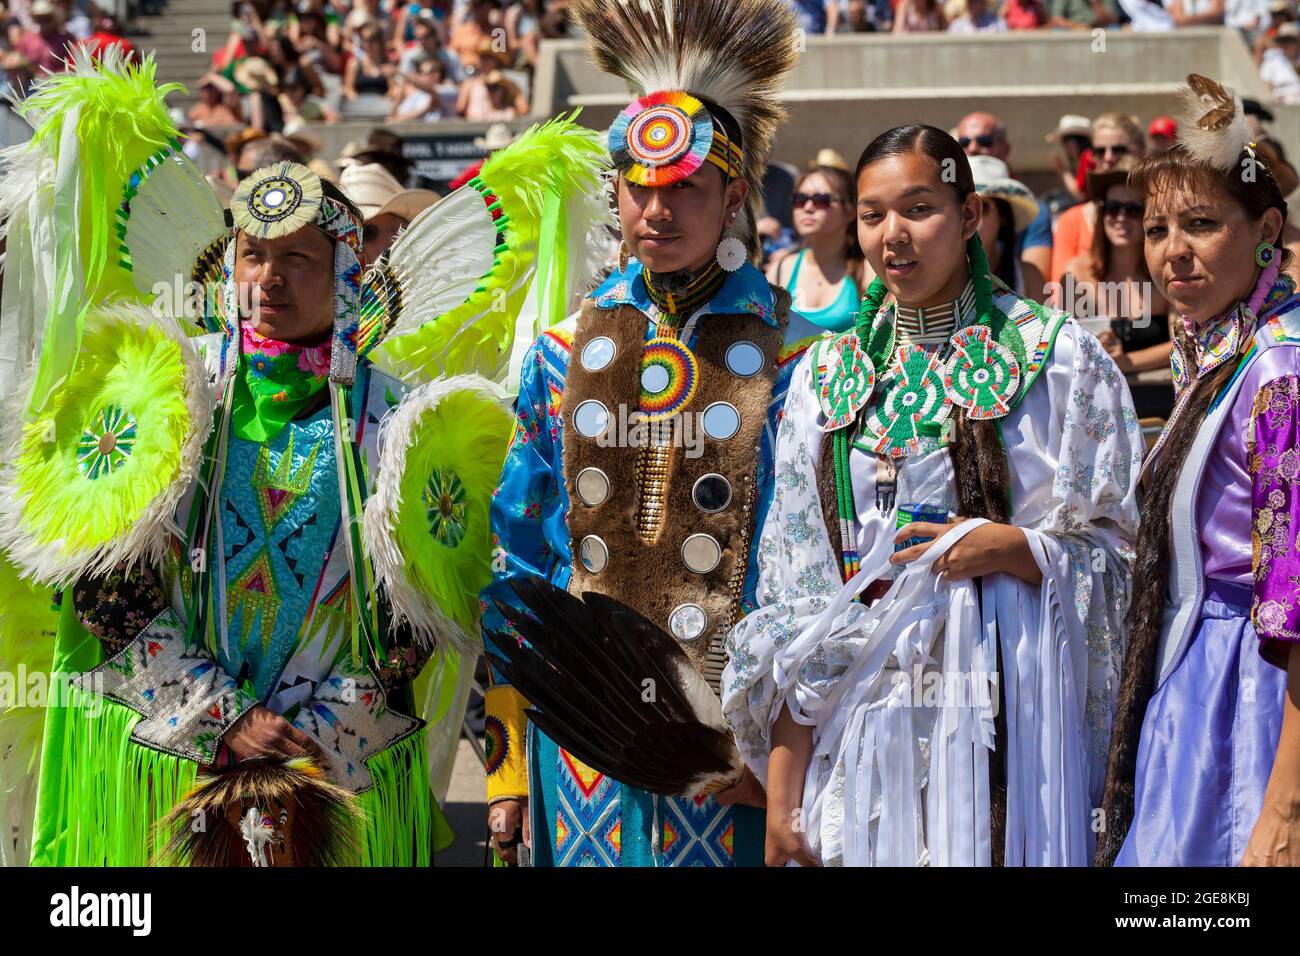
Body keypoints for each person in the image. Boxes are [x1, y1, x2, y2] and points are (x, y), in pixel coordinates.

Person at [0, 52, 608, 866]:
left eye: (298, 261)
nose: (270, 280)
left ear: (346, 277)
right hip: (178, 769)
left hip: (332, 772)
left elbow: (416, 610)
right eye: (254, 256)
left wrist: (325, 730)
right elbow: (104, 579)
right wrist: (216, 719)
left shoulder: (393, 417)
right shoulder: (173, 392)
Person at [722, 124, 1142, 867]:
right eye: (874, 214)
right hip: (861, 738)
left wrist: (1021, 550)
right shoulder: (824, 378)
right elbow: (796, 594)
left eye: (920, 209)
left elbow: (1127, 564)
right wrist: (784, 793)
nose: (894, 236)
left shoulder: (1058, 361)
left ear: (972, 215)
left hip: (1009, 739)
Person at [481, 0, 820, 868]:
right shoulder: (560, 356)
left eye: (686, 190)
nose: (659, 212)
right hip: (587, 743)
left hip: (740, 739)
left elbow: (821, 571)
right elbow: (518, 569)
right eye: (641, 189)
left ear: (735, 196)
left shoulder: (798, 355)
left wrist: (787, 759)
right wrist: (508, 764)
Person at [1097, 75, 1300, 868]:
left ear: (1267, 230)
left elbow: (1293, 597)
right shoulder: (1222, 350)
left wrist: (1284, 806)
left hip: (1253, 697)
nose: (1172, 251)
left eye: (1202, 223)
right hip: (1194, 680)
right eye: (1155, 230)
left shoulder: (1279, 371)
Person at [1059, 158, 1172, 376]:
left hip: (1159, 396)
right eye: (1112, 207)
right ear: (1101, 214)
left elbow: (1184, 343)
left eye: (1133, 209)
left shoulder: (1167, 269)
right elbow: (1062, 346)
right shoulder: (1076, 274)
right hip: (1095, 399)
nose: (1121, 217)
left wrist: (1128, 362)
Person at [768, 163, 869, 333]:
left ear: (850, 212)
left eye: (821, 200)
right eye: (800, 199)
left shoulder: (866, 270)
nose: (808, 207)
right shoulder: (780, 268)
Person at [1051, 113, 1146, 284]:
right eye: (1100, 151)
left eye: (1118, 150)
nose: (1108, 158)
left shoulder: (1159, 215)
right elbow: (1058, 295)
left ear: (1142, 153)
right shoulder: (1070, 220)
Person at [970, 155, 1041, 296]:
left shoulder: (1028, 277)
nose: (971, 216)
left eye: (982, 206)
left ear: (1002, 216)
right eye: (964, 207)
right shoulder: (938, 275)